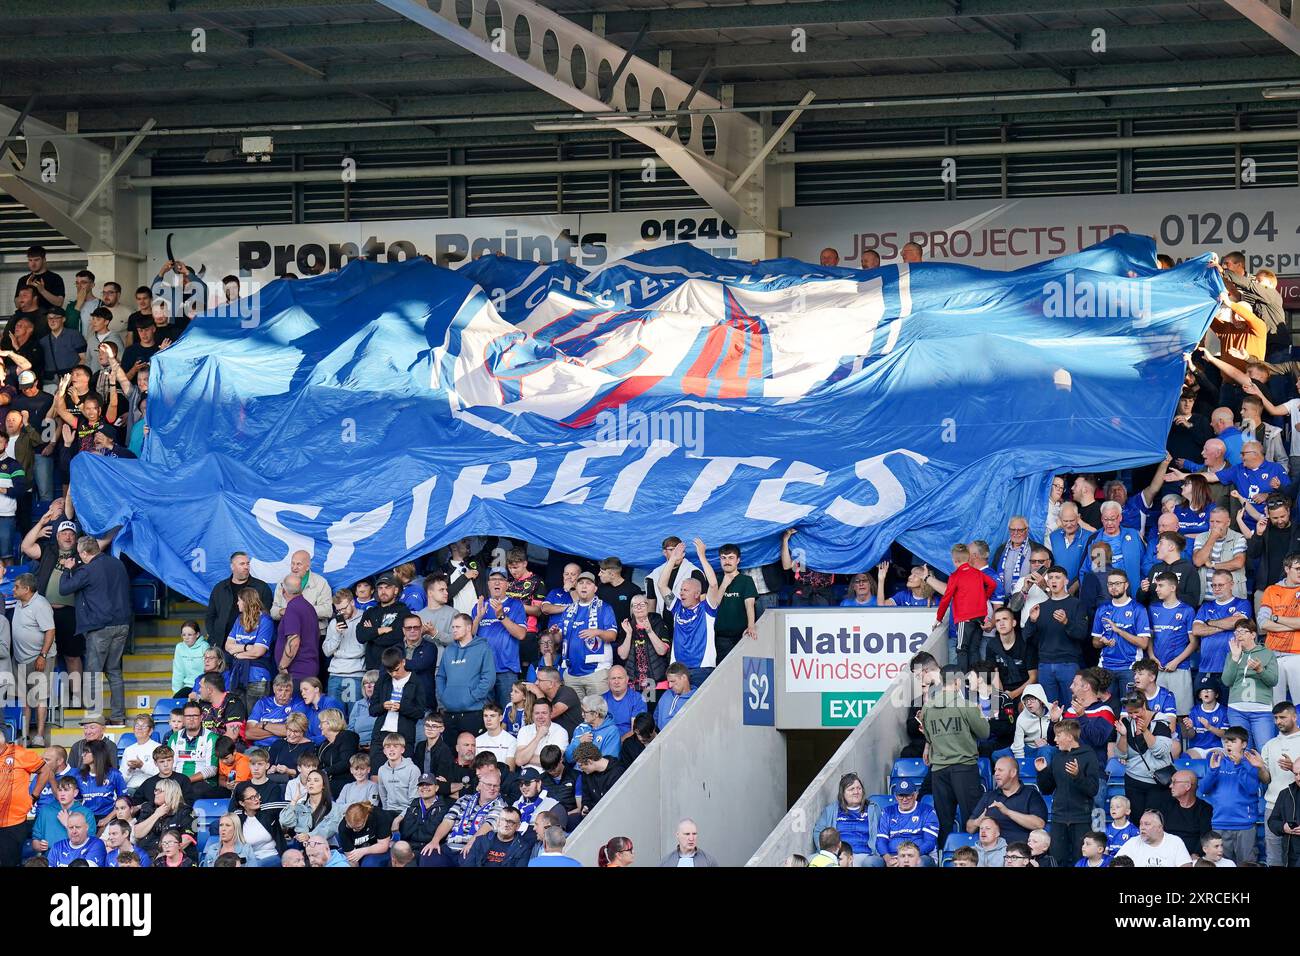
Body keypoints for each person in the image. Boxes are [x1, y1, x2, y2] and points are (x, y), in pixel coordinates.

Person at [57, 535, 131, 725]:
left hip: (100, 626)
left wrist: (67, 569)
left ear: (83, 553)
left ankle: (93, 716)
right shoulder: (117, 564)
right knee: (114, 671)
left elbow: (64, 589)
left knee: (93, 673)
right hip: (122, 624)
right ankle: (117, 717)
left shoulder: (88, 570)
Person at [924, 664, 990, 847]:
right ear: (958, 681)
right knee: (973, 818)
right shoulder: (966, 705)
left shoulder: (928, 707)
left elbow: (929, 737)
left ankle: (946, 857)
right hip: (964, 767)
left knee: (944, 822)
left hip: (939, 770)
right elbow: (984, 733)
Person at [21, 505, 84, 682]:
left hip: (71, 613)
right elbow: (26, 546)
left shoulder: (81, 555)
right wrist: (41, 523)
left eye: (71, 534)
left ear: (76, 538)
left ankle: (77, 698)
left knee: (72, 656)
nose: (68, 536)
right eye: (64, 533)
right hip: (45, 613)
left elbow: (101, 545)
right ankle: (48, 699)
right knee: (47, 656)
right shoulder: (48, 551)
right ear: (57, 537)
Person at [1035, 718, 1099, 865]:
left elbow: (1093, 789)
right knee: (1057, 861)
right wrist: (1042, 772)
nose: (1055, 740)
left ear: (1070, 737)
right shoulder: (1057, 758)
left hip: (1081, 819)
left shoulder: (1088, 755)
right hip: (1059, 818)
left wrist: (1078, 776)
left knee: (1081, 861)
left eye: (1058, 736)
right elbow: (1046, 789)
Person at [1023, 565, 1087, 708]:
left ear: (1066, 581)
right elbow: (1026, 637)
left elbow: (1082, 634)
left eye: (1057, 577)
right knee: (1049, 709)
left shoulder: (1076, 604)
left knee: (1072, 707)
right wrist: (1032, 621)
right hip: (1045, 665)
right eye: (1050, 577)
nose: (1053, 581)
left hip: (1068, 663)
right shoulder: (1040, 606)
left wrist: (1066, 622)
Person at [661, 538, 722, 686]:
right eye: (681, 590)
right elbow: (662, 585)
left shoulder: (707, 608)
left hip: (702, 669)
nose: (681, 593)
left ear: (697, 594)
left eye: (685, 590)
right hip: (678, 670)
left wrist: (701, 555)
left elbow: (713, 584)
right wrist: (673, 559)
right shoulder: (677, 608)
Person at [1201, 728, 1267, 862]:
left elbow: (1251, 789)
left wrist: (1238, 765)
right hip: (1220, 824)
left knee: (1247, 864)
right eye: (1226, 741)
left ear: (1243, 744)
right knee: (1221, 864)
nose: (1228, 745)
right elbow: (1203, 789)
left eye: (1232, 741)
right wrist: (1213, 771)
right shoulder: (1218, 761)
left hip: (1244, 824)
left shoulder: (1251, 762)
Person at [424, 767, 505, 867]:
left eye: (496, 786)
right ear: (480, 785)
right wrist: (435, 841)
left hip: (474, 850)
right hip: (450, 847)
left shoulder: (500, 805)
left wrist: (472, 843)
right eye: (489, 785)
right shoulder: (464, 799)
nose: (492, 788)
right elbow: (448, 821)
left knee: (468, 860)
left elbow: (487, 826)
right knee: (428, 854)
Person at [934, 543, 997, 672]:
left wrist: (939, 618)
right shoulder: (978, 573)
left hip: (964, 618)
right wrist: (983, 598)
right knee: (974, 649)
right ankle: (975, 678)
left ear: (954, 560)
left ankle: (962, 682)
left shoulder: (955, 576)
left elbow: (946, 598)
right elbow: (992, 584)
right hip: (980, 616)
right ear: (968, 558)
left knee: (961, 648)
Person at [9, 573, 55, 747]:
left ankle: (40, 736)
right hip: (20, 658)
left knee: (40, 697)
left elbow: (50, 630)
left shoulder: (40, 605)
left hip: (39, 658)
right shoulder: (19, 603)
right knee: (25, 699)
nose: (13, 590)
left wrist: (42, 655)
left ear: (26, 589)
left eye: (16, 587)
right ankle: (27, 735)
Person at [1116, 692, 1177, 822]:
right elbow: (1121, 754)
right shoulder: (1126, 721)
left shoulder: (1159, 721)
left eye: (1136, 712)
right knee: (1137, 821)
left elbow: (1161, 752)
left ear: (1144, 705)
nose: (1133, 716)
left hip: (1157, 782)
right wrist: (1123, 736)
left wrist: (1145, 731)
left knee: (1155, 822)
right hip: (1133, 780)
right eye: (1130, 713)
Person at [473, 568, 529, 706]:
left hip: (507, 669)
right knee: (486, 714)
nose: (497, 582)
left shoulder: (515, 605)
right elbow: (469, 638)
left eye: (501, 579)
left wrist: (501, 616)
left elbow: (521, 634)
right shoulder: (479, 606)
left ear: (507, 584)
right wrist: (478, 618)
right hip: (483, 670)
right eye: (493, 579)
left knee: (509, 712)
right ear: (488, 584)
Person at [435, 612, 494, 742]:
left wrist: (473, 696)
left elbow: (488, 678)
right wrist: (444, 696)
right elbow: (440, 676)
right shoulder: (449, 650)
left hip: (473, 712)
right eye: (453, 627)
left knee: (472, 754)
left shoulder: (483, 648)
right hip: (450, 712)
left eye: (458, 627)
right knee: (450, 753)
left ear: (468, 628)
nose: (454, 630)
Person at [1092, 569, 1150, 700]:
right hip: (1105, 667)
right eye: (1110, 584)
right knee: (1107, 709)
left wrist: (1118, 630)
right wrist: (1103, 642)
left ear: (1126, 585)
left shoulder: (1138, 609)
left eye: (1117, 583)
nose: (1113, 587)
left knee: (1129, 709)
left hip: (1130, 667)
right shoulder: (1102, 609)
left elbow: (1144, 643)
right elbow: (1095, 642)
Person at [204, 552, 272, 662]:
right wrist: (215, 638)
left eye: (247, 563)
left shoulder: (261, 588)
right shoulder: (220, 588)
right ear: (232, 566)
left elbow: (266, 615)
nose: (246, 567)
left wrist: (252, 647)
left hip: (251, 649)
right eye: (242, 564)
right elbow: (210, 616)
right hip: (222, 646)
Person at [1222, 619, 1279, 750]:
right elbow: (1227, 681)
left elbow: (1273, 680)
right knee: (1241, 751)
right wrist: (1235, 659)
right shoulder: (1232, 654)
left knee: (1264, 750)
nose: (1238, 635)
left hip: (1262, 710)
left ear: (1253, 634)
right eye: (1236, 632)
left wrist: (1260, 670)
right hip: (1237, 709)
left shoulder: (1267, 653)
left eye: (1243, 631)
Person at [967, 755, 1048, 846]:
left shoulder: (1031, 794)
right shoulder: (989, 796)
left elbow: (1039, 824)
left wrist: (1008, 812)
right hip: (992, 852)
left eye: (1000, 770)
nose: (996, 773)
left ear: (1013, 772)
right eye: (995, 770)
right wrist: (977, 821)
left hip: (1020, 853)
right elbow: (969, 828)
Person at [0, 726, 52, 866]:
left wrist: (34, 795)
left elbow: (45, 769)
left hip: (13, 822)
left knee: (9, 863)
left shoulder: (20, 753)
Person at [1148, 571, 1197, 716]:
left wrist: (1176, 662)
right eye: (1156, 585)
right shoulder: (1153, 608)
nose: (1156, 589)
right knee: (1156, 713)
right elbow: (1149, 637)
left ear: (1173, 588)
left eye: (1160, 585)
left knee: (1181, 714)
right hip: (1158, 669)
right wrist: (1151, 656)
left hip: (1179, 668)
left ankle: (1180, 740)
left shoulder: (1187, 610)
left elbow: (1193, 643)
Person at [1192, 569, 1253, 686]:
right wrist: (1227, 625)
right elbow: (1196, 630)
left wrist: (1209, 622)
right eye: (1213, 585)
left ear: (1231, 584)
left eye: (1220, 585)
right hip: (1207, 667)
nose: (1216, 588)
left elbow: (1237, 623)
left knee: (1229, 704)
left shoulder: (1242, 603)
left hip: (1233, 667)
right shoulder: (1206, 606)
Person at [1257, 552, 1300, 708]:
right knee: (1275, 705)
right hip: (1272, 654)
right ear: (1287, 569)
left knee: (1299, 705)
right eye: (1297, 568)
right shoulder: (1272, 590)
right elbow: (1262, 623)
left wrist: (1276, 618)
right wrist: (1292, 625)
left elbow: (1270, 621)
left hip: (1297, 654)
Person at [371, 646, 426, 766]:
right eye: (390, 671)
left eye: (396, 669)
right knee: (377, 775)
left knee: (402, 776)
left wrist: (401, 708)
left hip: (404, 736)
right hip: (381, 735)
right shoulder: (383, 680)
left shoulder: (416, 681)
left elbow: (420, 712)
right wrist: (383, 706)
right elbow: (372, 710)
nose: (394, 674)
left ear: (403, 662)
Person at [1261, 702, 1300, 866]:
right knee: (1274, 858)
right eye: (1275, 718)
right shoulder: (1270, 745)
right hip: (1273, 806)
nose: (1278, 721)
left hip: (1297, 804)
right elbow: (1266, 779)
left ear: (1294, 716)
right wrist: (1259, 768)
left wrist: (1294, 768)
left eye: (1282, 717)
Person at [224, 587, 275, 710]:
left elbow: (259, 651)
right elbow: (228, 646)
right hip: (238, 675)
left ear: (246, 602)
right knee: (238, 717)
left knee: (254, 718)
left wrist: (239, 653)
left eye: (239, 600)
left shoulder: (265, 620)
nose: (237, 603)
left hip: (258, 676)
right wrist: (247, 647)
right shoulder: (239, 619)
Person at [813, 771, 878, 866]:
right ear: (842, 793)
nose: (856, 792)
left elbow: (882, 833)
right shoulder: (832, 810)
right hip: (838, 854)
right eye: (851, 789)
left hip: (865, 855)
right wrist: (826, 853)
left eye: (859, 788)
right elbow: (818, 832)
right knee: (810, 859)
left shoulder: (873, 809)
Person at [871, 777, 939, 866]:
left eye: (908, 795)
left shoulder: (927, 811)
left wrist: (907, 858)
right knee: (871, 862)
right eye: (901, 795)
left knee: (919, 863)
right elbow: (881, 841)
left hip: (920, 855)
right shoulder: (887, 812)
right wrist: (888, 859)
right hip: (892, 856)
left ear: (915, 795)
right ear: (895, 796)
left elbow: (929, 842)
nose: (904, 799)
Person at [1155, 769, 1215, 858]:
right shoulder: (1165, 806)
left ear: (1187, 786)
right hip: (1166, 856)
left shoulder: (1205, 809)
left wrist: (1196, 854)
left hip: (1193, 857)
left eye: (1174, 782)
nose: (1171, 786)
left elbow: (1205, 836)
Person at [132, 778, 194, 861]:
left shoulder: (187, 811)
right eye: (155, 790)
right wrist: (156, 815)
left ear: (171, 793)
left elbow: (186, 840)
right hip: (144, 855)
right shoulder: (148, 807)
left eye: (159, 791)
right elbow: (137, 833)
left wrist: (164, 855)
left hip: (169, 858)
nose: (155, 793)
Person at [231, 783, 286, 867]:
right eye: (251, 798)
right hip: (250, 859)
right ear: (242, 803)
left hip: (273, 856)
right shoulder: (238, 819)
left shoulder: (268, 812)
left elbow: (287, 807)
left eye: (257, 795)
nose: (256, 799)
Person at [1114, 809, 1193, 867]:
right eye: (1141, 824)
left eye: (1147, 824)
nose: (1142, 827)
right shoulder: (1133, 842)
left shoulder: (1175, 842)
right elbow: (1116, 864)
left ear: (1159, 827)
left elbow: (1186, 865)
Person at [571, 742, 624, 823]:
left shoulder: (617, 772)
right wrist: (585, 807)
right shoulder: (586, 773)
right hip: (593, 816)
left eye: (580, 765)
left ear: (589, 761)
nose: (580, 768)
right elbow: (586, 796)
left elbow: (610, 803)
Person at [401, 773, 449, 864]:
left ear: (437, 788)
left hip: (431, 847)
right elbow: (405, 831)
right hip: (411, 846)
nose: (424, 787)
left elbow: (431, 834)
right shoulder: (413, 805)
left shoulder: (443, 807)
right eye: (421, 785)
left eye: (428, 784)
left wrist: (416, 827)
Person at [465, 805, 531, 867]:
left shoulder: (523, 847)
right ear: (497, 821)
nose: (506, 824)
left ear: (518, 826)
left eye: (511, 822)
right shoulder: (481, 840)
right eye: (503, 820)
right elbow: (468, 864)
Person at [514, 698, 569, 773]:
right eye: (537, 713)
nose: (540, 716)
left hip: (549, 775)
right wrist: (538, 736)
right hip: (527, 775)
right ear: (532, 714)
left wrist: (526, 759)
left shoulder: (560, 732)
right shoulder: (524, 730)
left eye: (544, 713)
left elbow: (554, 762)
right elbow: (519, 760)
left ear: (551, 713)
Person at [316, 709, 360, 798]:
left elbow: (347, 762)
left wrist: (325, 771)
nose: (319, 726)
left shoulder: (346, 737)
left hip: (344, 784)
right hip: (327, 785)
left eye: (321, 723)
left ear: (329, 723)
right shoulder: (324, 744)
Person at [1266, 760, 1300, 867]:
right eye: (1296, 774)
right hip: (1291, 856)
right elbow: (1272, 821)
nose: (1298, 778)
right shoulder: (1285, 794)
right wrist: (1283, 827)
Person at [336, 801, 391, 867]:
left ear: (366, 817)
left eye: (358, 827)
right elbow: (352, 858)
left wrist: (363, 851)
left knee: (369, 864)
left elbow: (383, 846)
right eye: (351, 827)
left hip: (377, 847)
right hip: (357, 849)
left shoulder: (378, 815)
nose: (354, 830)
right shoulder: (343, 827)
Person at [170, 620, 209, 698]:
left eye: (190, 635)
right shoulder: (180, 647)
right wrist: (176, 692)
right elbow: (178, 672)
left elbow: (208, 670)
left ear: (197, 634)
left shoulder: (205, 646)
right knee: (177, 699)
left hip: (202, 686)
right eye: (184, 635)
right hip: (187, 686)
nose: (186, 638)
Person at [475, 701, 517, 770]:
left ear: (501, 718)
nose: (488, 719)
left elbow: (510, 770)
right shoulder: (477, 741)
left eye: (492, 716)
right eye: (485, 716)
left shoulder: (511, 741)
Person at [654, 662, 694, 730]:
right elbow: (655, 718)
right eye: (668, 682)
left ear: (684, 677)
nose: (670, 685)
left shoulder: (696, 698)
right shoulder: (666, 694)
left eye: (673, 681)